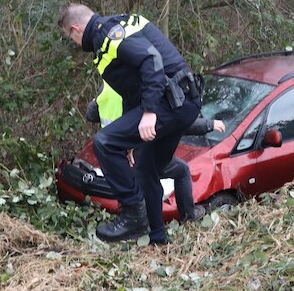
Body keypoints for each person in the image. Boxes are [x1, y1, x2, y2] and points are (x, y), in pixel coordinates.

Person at [59, 4, 202, 244]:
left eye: (70, 37)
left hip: (171, 102)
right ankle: (157, 239)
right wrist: (129, 139)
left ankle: (133, 213)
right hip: (180, 101)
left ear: (75, 29)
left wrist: (149, 111)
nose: (74, 42)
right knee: (147, 169)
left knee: (104, 142)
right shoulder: (116, 27)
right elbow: (130, 92)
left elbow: (151, 59)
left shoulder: (108, 34)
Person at [85, 82, 225, 222]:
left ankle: (129, 224)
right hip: (138, 154)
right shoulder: (136, 90)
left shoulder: (106, 87)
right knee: (179, 173)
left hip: (113, 154)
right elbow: (175, 123)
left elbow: (91, 115)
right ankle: (188, 215)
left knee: (130, 191)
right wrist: (209, 124)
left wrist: (97, 103)